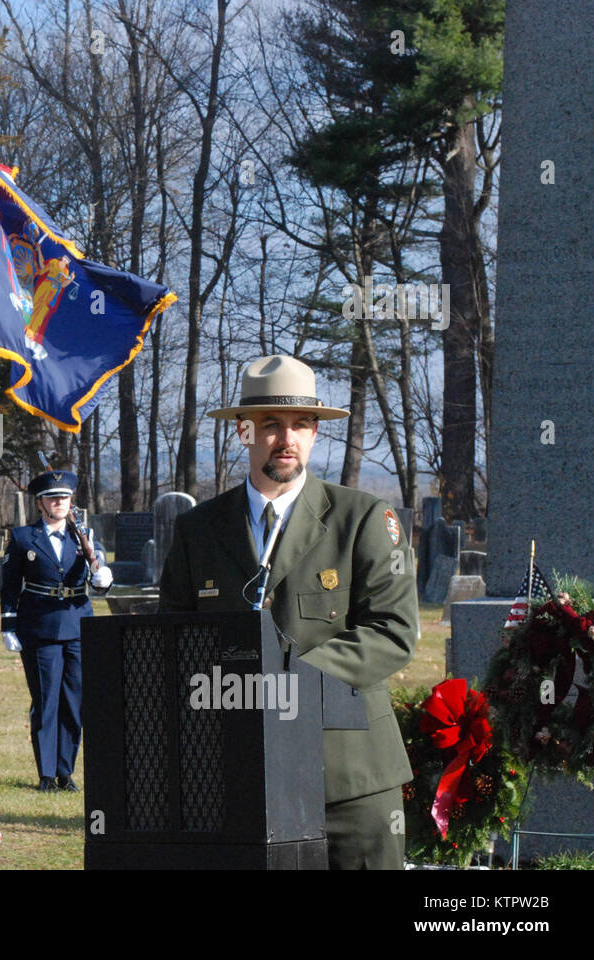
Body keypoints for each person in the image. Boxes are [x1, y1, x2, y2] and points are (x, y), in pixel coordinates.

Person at [158, 354, 418, 869]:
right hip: (237, 775)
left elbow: (393, 631)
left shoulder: (362, 518)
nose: (287, 439)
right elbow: (174, 638)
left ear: (317, 433)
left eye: (302, 424)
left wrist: (291, 682)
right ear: (242, 432)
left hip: (348, 779)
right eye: (270, 425)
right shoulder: (199, 531)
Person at [0, 469, 113, 791]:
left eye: (64, 497)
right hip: (40, 627)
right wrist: (8, 626)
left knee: (74, 702)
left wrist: (104, 580)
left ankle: (66, 771)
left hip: (77, 625)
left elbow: (97, 575)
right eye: (52, 498)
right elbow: (9, 586)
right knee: (46, 701)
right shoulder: (24, 538)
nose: (59, 502)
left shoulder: (84, 535)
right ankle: (47, 774)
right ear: (40, 503)